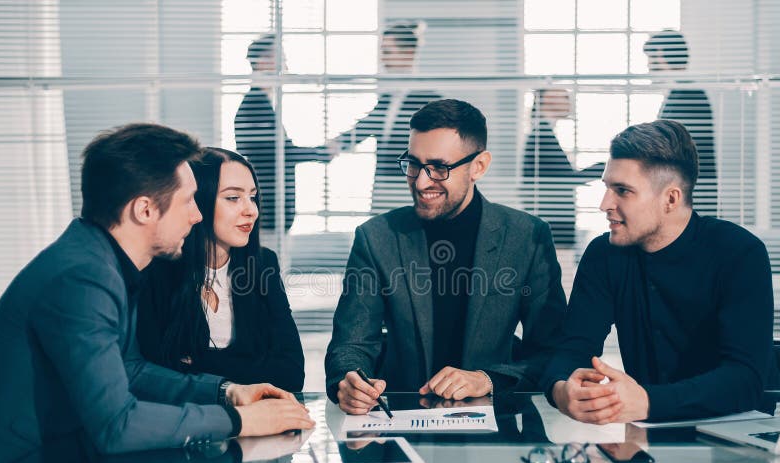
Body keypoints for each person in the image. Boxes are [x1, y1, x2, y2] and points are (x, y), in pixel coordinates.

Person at [0, 123, 314, 463]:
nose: (196, 215)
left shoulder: (100, 259)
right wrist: (239, 420)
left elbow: (130, 369)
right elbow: (117, 425)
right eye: (187, 201)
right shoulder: (84, 277)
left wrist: (225, 391)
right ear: (144, 210)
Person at [325, 99, 567, 414]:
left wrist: (488, 380)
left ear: (478, 166)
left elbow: (554, 351)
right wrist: (350, 381)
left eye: (439, 168)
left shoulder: (526, 236)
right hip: (402, 423)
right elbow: (351, 344)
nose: (422, 181)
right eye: (413, 164)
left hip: (496, 429)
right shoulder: (376, 237)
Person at [542, 119, 778, 424]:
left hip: (737, 438)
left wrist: (647, 402)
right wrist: (562, 389)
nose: (604, 204)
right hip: (650, 439)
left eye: (622, 191)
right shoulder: (604, 254)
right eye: (607, 188)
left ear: (671, 199)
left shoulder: (740, 253)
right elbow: (571, 348)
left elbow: (745, 379)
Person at [137, 147, 305, 392]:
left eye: (252, 196)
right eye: (233, 198)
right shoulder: (156, 270)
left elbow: (290, 374)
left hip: (256, 421)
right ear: (198, 201)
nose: (251, 210)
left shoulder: (262, 264)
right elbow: (156, 376)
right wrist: (250, 366)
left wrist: (197, 363)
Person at [335, 23, 441, 214]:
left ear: (408, 53)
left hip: (410, 189)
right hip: (384, 189)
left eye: (387, 51)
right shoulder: (388, 98)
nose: (383, 59)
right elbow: (365, 127)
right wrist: (333, 146)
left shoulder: (429, 100)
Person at [234, 33, 332, 237]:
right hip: (269, 208)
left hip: (274, 209)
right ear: (262, 62)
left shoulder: (262, 105)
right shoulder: (254, 106)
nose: (285, 65)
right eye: (281, 57)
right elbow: (277, 154)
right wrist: (321, 153)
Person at [644, 30, 717, 217]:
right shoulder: (678, 93)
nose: (649, 64)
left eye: (652, 56)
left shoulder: (689, 94)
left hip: (690, 198)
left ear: (665, 55)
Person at [521, 88, 589, 247]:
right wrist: (604, 167)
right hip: (554, 222)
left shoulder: (542, 133)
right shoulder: (542, 135)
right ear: (546, 100)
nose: (569, 100)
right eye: (563, 96)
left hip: (554, 220)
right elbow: (565, 179)